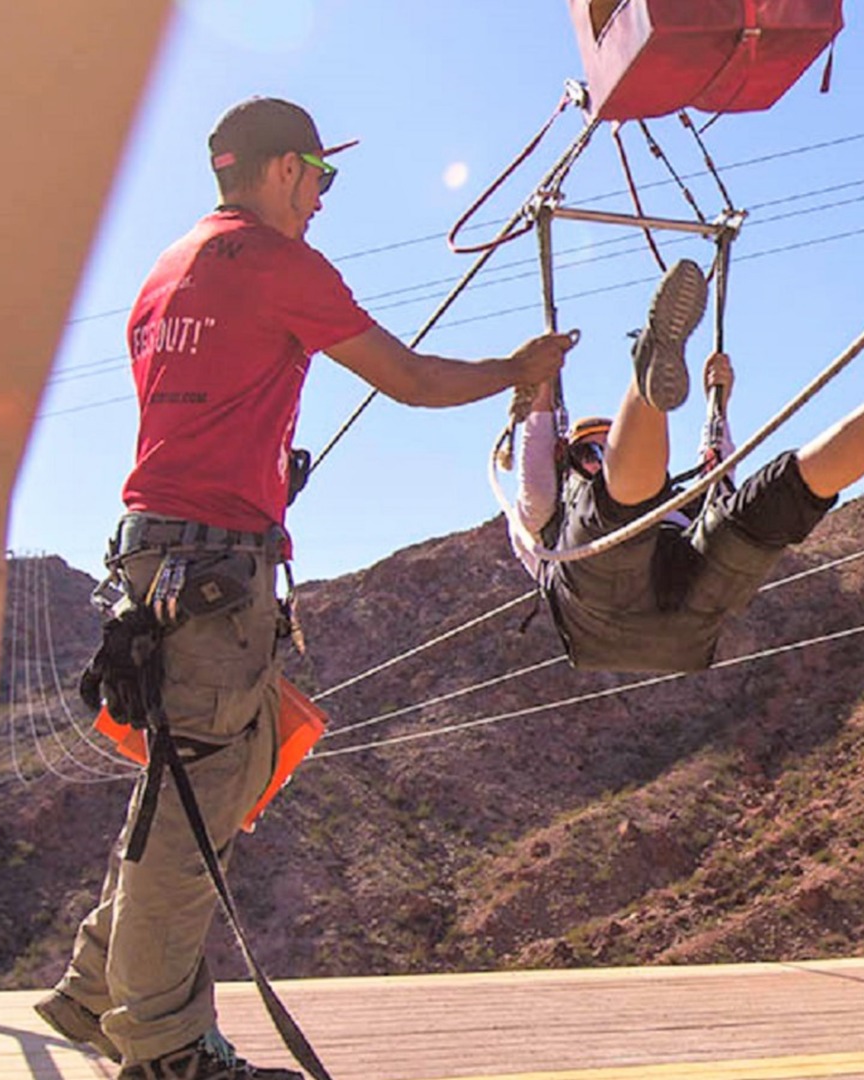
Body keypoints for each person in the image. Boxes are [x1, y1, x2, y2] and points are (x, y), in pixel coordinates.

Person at [42, 97, 571, 1080]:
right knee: (198, 790)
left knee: (215, 771)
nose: (324, 198)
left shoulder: (166, 272)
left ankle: (98, 987)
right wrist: (517, 371)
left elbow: (198, 415)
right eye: (322, 177)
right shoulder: (281, 264)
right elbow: (410, 379)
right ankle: (162, 1049)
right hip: (215, 571)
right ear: (286, 168)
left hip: (160, 558)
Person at [507, 259, 864, 674]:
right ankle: (648, 368)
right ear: (565, 461)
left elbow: (718, 475)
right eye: (590, 453)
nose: (598, 458)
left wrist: (719, 404)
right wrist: (539, 390)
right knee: (618, 509)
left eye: (606, 447)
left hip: (682, 608)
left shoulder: (662, 499)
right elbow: (535, 457)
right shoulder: (545, 516)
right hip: (605, 609)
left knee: (781, 494)